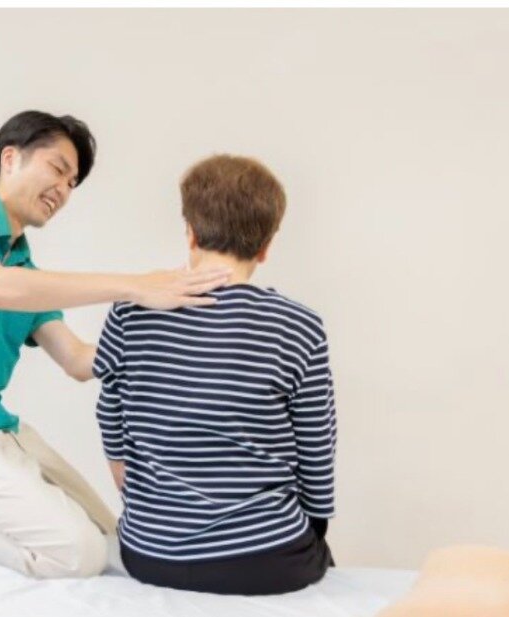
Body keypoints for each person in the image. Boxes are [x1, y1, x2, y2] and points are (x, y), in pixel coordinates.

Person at [0, 110, 231, 579]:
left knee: (113, 541)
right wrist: (135, 285)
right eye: (57, 169)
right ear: (10, 159)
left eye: (72, 183)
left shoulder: (26, 272)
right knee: (78, 555)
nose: (64, 190)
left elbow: (78, 360)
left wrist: (174, 335)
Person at [93, 154, 337, 594]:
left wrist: (149, 511)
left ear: (190, 233)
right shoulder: (299, 326)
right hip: (266, 558)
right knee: (318, 555)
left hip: (150, 555)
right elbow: (316, 447)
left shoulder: (130, 311)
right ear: (266, 247)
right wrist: (315, 527)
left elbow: (111, 417)